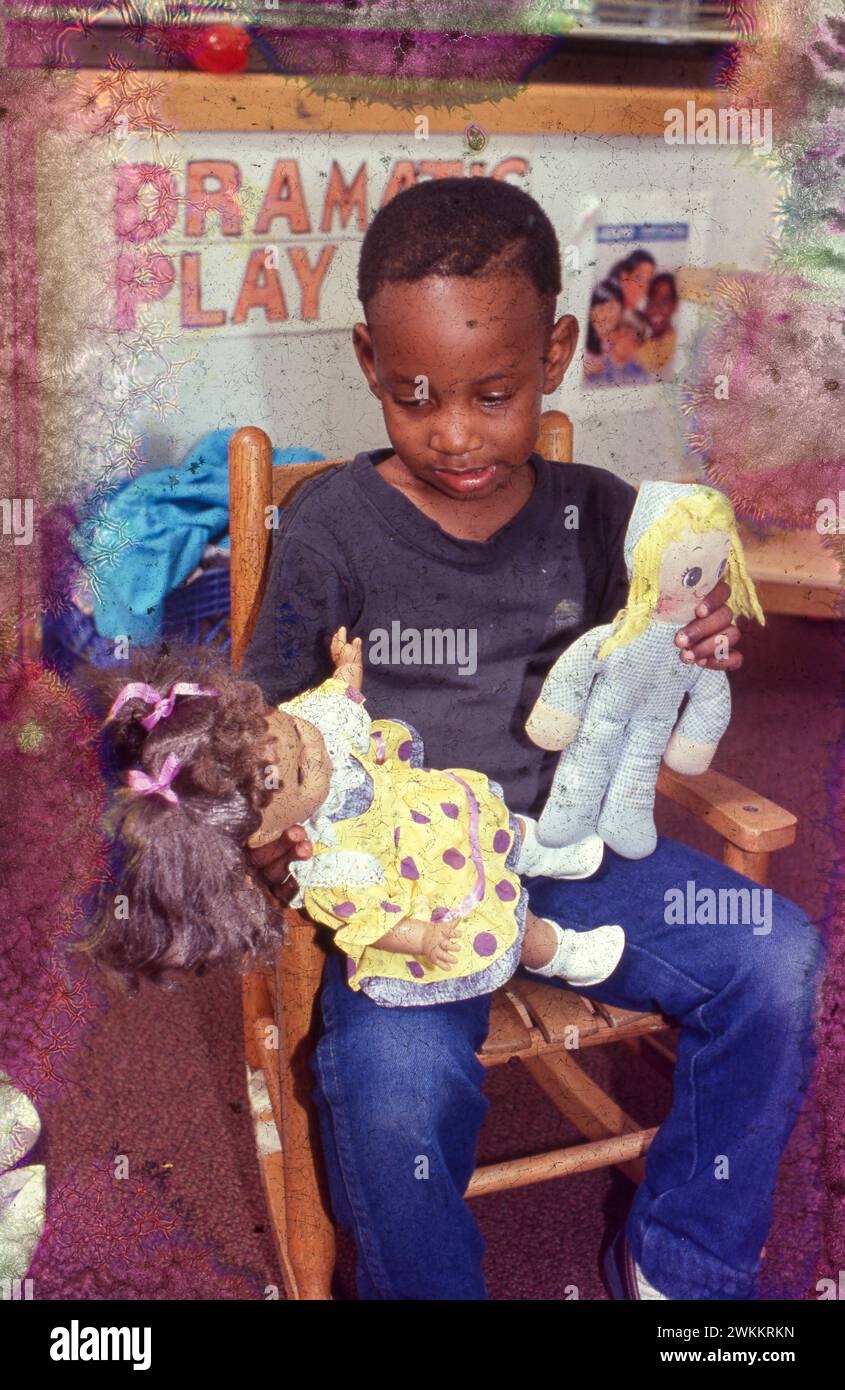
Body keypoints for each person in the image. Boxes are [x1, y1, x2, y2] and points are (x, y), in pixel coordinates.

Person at [242, 176, 824, 1301]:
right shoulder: (328, 529)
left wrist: (698, 634)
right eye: (415, 397)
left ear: (555, 352)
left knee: (775, 954)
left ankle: (682, 1262)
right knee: (388, 1083)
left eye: (493, 394)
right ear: (368, 361)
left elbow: (679, 633)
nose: (454, 432)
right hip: (410, 898)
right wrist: (273, 826)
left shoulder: (604, 512)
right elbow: (257, 720)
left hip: (575, 866)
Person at [81, 637, 624, 997]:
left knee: (495, 820)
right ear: (266, 831)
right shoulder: (328, 865)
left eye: (290, 730)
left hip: (435, 811)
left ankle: (546, 851)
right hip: (427, 886)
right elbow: (371, 921)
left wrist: (347, 667)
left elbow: (332, 703)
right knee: (501, 920)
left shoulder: (292, 732)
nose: (314, 750)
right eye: (298, 777)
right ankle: (559, 951)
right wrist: (422, 939)